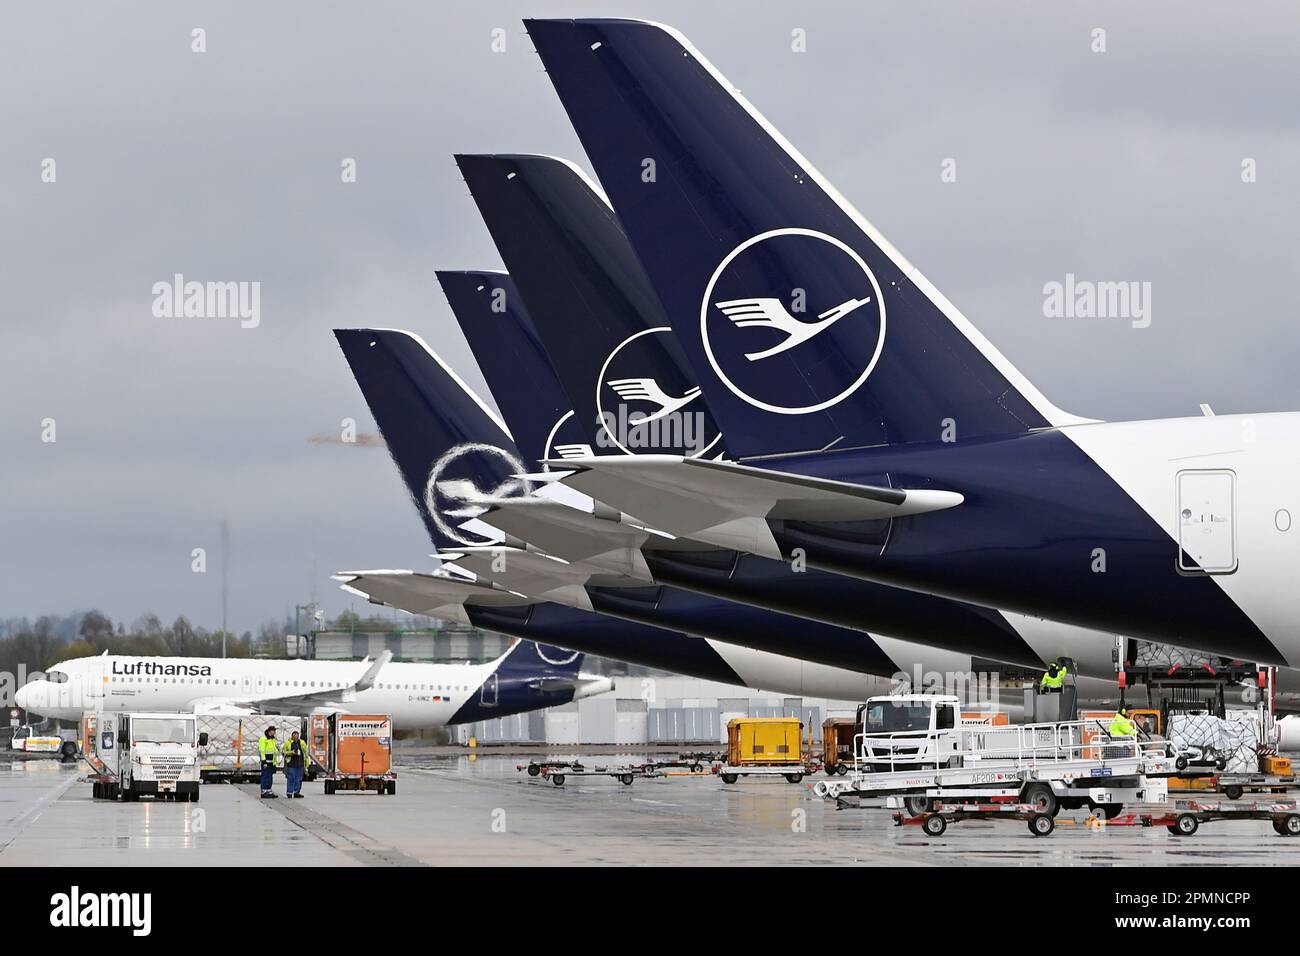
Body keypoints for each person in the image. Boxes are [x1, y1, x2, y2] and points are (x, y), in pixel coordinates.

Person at [282, 729, 308, 799]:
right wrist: (292, 752)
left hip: (300, 764)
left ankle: (297, 792)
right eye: (294, 737)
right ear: (292, 737)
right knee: (291, 779)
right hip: (291, 764)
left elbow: (306, 754)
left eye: (297, 737)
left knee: (299, 779)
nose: (296, 738)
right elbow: (283, 753)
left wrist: (306, 765)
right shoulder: (288, 743)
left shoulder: (302, 743)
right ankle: (289, 793)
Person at [258, 726, 281, 798]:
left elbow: (274, 750)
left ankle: (269, 790)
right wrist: (264, 761)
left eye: (274, 732)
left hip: (271, 761)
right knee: (265, 776)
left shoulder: (273, 740)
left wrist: (278, 749)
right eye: (273, 731)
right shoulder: (263, 739)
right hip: (266, 761)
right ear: (269, 731)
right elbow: (262, 750)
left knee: (270, 777)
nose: (274, 733)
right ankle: (264, 791)